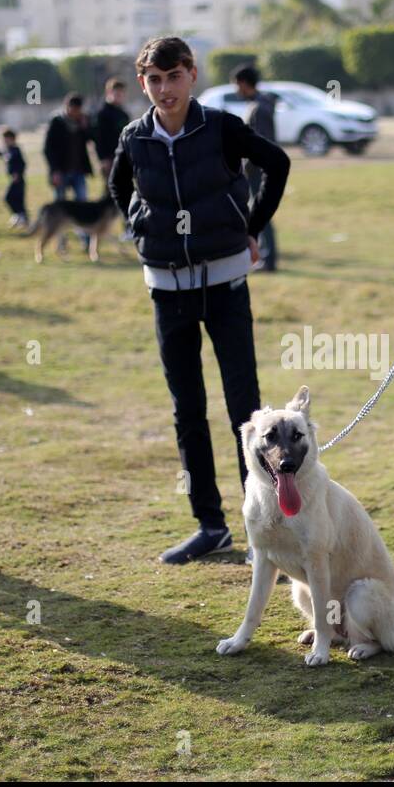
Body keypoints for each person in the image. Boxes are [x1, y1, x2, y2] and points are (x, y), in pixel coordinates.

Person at [109, 36, 289, 565]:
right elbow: (120, 187)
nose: (164, 89)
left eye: (174, 76)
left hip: (227, 285)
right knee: (187, 411)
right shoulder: (134, 137)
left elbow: (276, 164)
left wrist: (251, 226)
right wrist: (142, 230)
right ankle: (211, 526)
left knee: (246, 411)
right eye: (153, 79)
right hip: (166, 292)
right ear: (144, 83)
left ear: (191, 74)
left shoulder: (221, 127)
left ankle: (263, 527)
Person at [231, 65, 280, 271]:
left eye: (236, 84)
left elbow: (261, 145)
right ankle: (265, 256)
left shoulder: (259, 109)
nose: (235, 89)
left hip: (260, 172)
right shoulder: (260, 104)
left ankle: (268, 259)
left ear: (243, 83)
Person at [44, 93, 93, 252]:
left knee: (83, 208)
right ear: (67, 107)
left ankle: (86, 241)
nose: (76, 113)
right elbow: (48, 149)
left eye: (78, 110)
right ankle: (60, 243)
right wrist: (54, 170)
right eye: (73, 110)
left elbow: (90, 140)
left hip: (78, 171)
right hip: (61, 172)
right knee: (60, 211)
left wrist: (86, 127)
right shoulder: (57, 122)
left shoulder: (82, 121)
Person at [92, 77, 130, 181]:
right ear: (109, 92)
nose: (120, 96)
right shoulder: (102, 114)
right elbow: (98, 138)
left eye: (121, 93)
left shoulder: (123, 114)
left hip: (123, 157)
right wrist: (103, 158)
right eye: (117, 93)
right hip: (109, 159)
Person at [0, 128, 28, 227]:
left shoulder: (16, 150)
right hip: (13, 179)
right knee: (16, 199)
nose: (4, 141)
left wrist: (17, 174)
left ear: (12, 139)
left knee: (9, 198)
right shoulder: (8, 150)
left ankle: (20, 217)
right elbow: (4, 155)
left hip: (18, 180)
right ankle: (20, 218)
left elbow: (23, 164)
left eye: (6, 139)